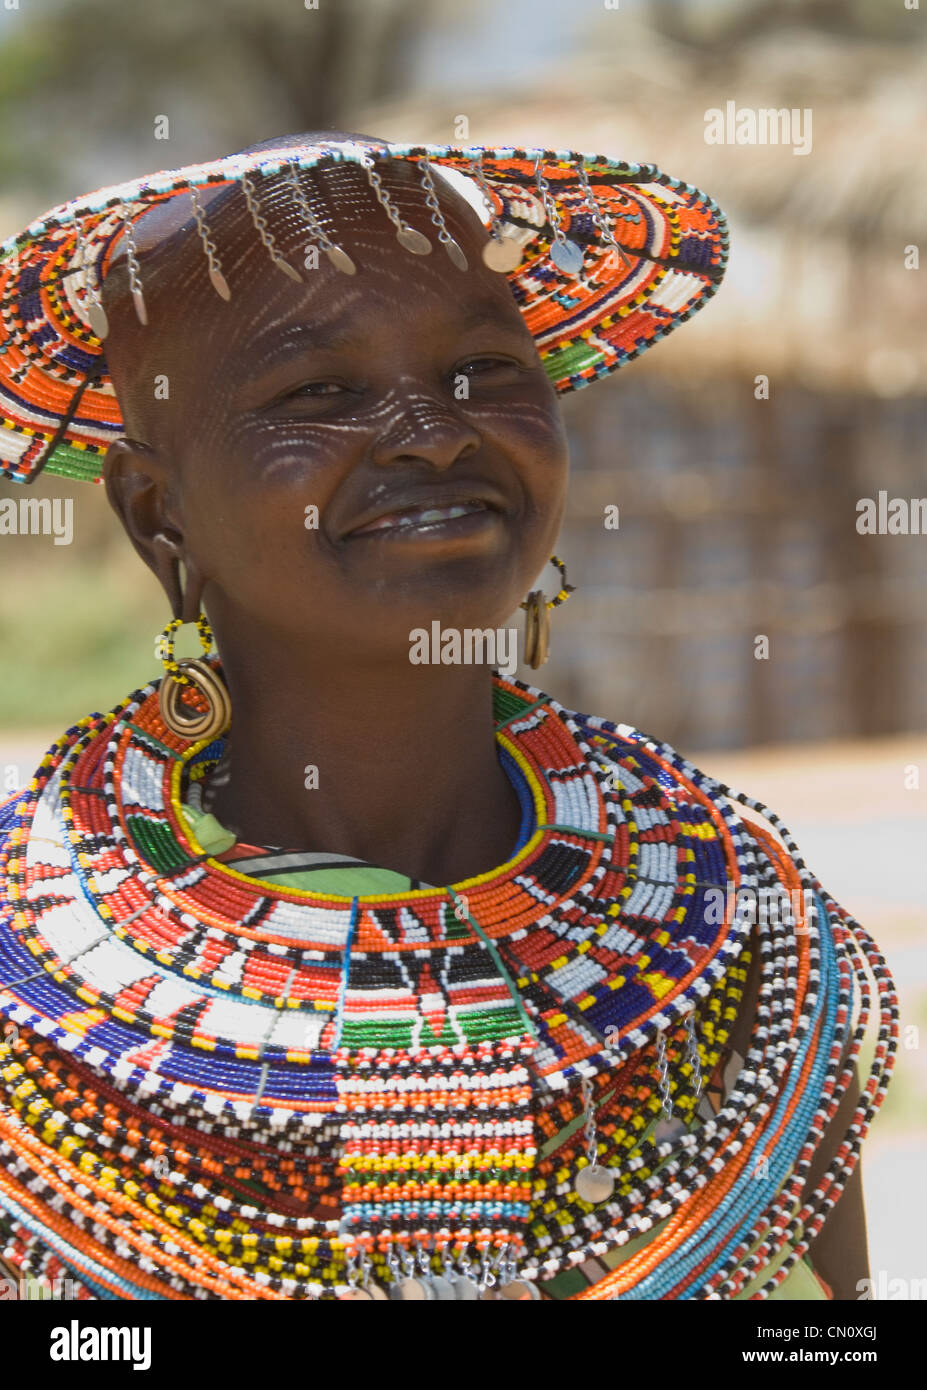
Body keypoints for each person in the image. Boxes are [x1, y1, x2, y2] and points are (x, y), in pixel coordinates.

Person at [0, 132, 896, 1302]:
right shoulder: (36, 999)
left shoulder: (737, 926)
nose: (433, 431)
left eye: (483, 369)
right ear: (159, 516)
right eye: (320, 391)